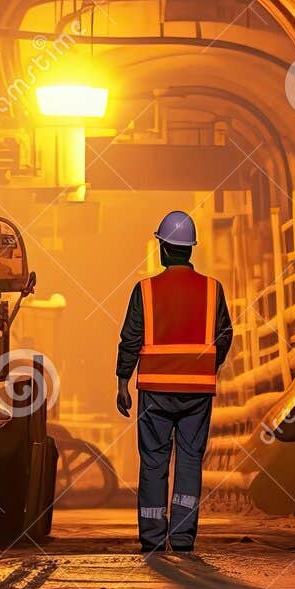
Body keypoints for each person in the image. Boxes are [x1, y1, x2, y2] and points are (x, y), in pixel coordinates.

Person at [115, 210, 232, 553]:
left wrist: (123, 380)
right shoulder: (213, 289)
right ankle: (181, 538)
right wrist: (209, 367)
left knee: (153, 460)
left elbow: (131, 338)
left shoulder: (146, 290)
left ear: (163, 248)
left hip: (154, 391)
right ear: (190, 249)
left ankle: (152, 538)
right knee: (190, 459)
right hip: (197, 391)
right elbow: (224, 335)